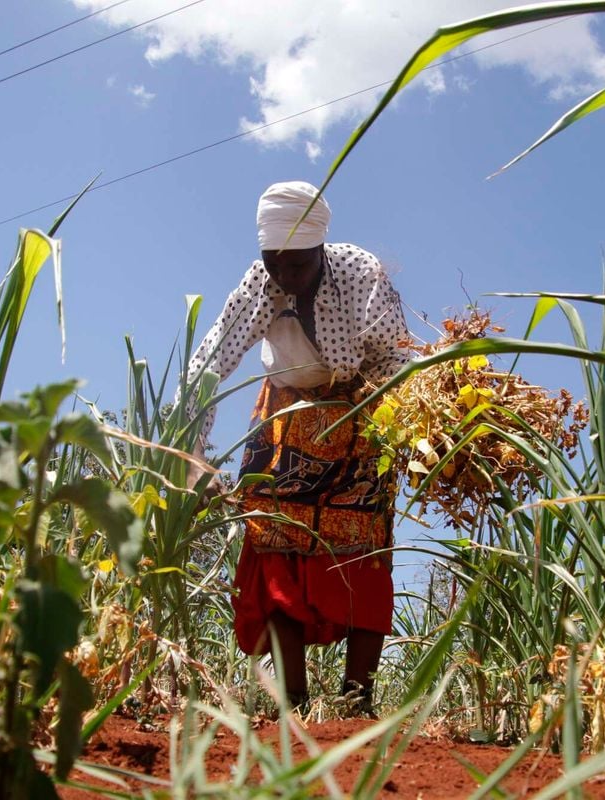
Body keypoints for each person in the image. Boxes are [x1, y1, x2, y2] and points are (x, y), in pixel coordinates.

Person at [183, 180, 410, 714]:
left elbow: (399, 360)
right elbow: (209, 362)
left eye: (297, 265)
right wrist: (193, 453)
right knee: (272, 542)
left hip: (362, 413)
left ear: (320, 252)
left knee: (363, 549)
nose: (283, 276)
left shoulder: (360, 274)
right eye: (273, 262)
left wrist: (405, 430)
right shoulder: (259, 283)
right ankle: (293, 703)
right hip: (283, 416)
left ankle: (358, 703)